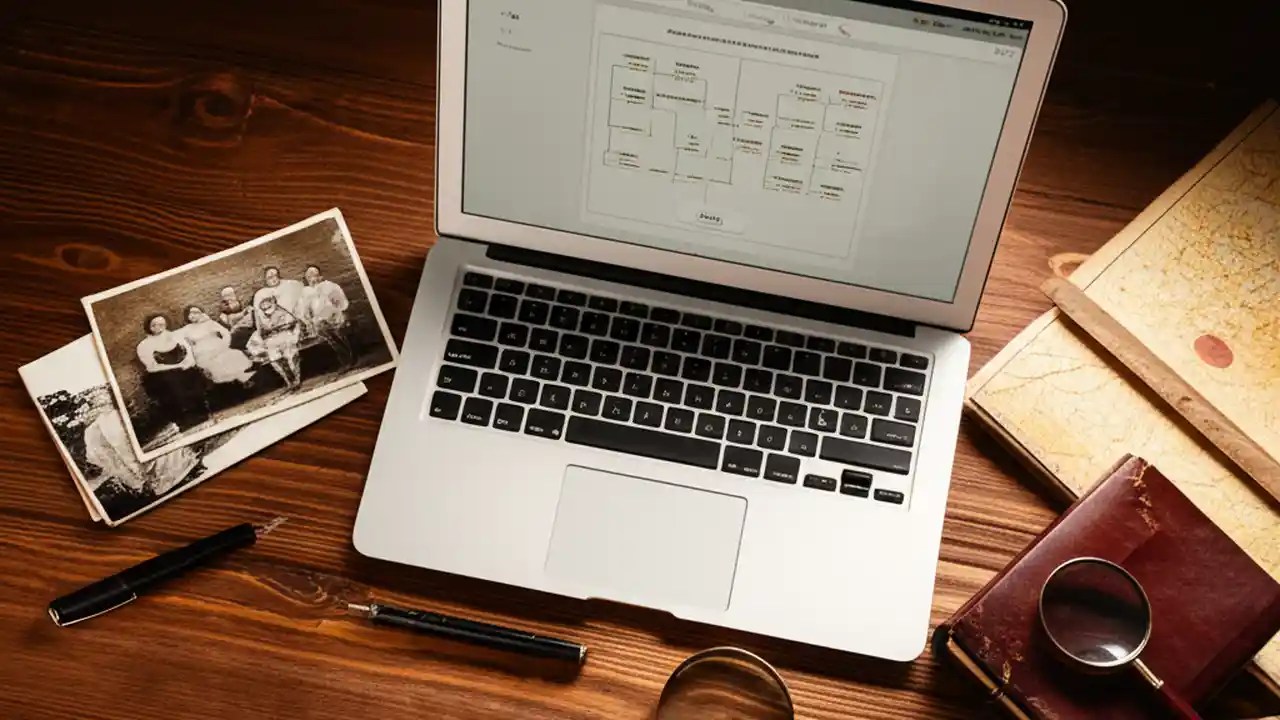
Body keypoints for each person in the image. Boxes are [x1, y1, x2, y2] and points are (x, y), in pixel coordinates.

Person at [80, 389, 198, 498]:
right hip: (134, 454)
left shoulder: (102, 429)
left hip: (133, 447)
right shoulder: (97, 433)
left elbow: (126, 453)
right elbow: (126, 458)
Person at [135, 314, 209, 429]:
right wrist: (176, 367)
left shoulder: (175, 336)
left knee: (193, 375)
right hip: (162, 374)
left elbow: (188, 351)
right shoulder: (144, 345)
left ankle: (200, 412)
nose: (158, 327)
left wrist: (189, 363)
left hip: (184, 369)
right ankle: (183, 420)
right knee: (170, 383)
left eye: (161, 324)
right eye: (154, 325)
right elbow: (152, 366)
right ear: (149, 327)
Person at [182, 306, 255, 385]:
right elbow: (188, 345)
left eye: (196, 313)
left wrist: (224, 344)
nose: (193, 316)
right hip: (202, 354)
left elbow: (225, 333)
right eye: (190, 314)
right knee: (214, 365)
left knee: (230, 358)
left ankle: (242, 380)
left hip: (217, 348)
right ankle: (235, 382)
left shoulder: (209, 323)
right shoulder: (187, 329)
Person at [299, 264, 354, 369]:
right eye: (309, 276)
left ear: (320, 276)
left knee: (339, 333)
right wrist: (308, 321)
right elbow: (303, 310)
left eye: (314, 274)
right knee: (329, 338)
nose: (312, 278)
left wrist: (335, 312)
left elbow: (341, 303)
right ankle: (344, 360)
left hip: (333, 317)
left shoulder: (329, 286)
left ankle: (351, 358)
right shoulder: (305, 292)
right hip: (319, 322)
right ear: (306, 279)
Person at [256, 294, 303, 390]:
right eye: (263, 307)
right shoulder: (261, 317)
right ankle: (289, 381)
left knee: (291, 357)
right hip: (271, 341)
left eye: (268, 305)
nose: (266, 308)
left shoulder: (283, 312)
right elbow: (261, 333)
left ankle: (296, 380)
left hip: (286, 337)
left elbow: (293, 324)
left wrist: (294, 335)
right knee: (276, 360)